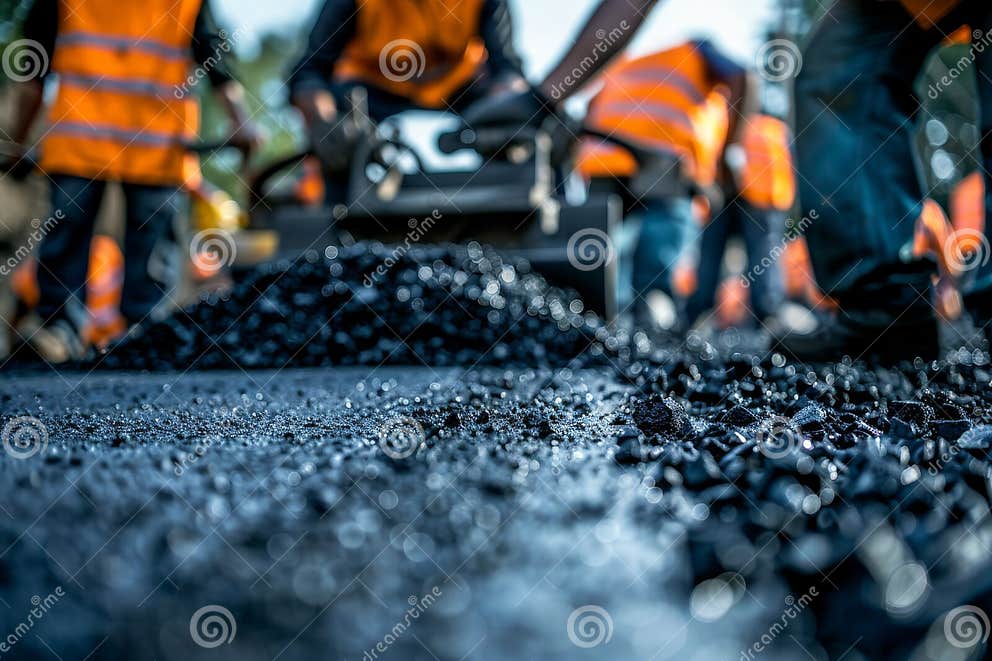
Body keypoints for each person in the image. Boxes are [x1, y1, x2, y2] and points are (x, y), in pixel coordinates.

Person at [464, 0, 991, 363]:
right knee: (838, 80)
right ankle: (886, 312)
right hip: (664, 166)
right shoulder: (656, 67)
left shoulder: (684, 56)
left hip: (703, 176)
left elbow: (736, 77)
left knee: (685, 237)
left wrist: (734, 152)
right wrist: (543, 100)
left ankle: (676, 309)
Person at [7, 0, 259, 363]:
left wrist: (17, 140)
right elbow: (216, 59)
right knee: (148, 249)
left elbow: (32, 73)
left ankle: (66, 333)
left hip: (87, 142)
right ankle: (139, 337)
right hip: (151, 144)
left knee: (71, 239)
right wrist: (241, 121)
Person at [572, 40, 754, 325]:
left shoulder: (621, 63)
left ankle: (595, 313)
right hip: (665, 156)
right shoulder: (698, 49)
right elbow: (743, 75)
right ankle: (652, 305)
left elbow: (588, 111)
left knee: (599, 243)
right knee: (664, 227)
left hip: (602, 158)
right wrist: (728, 151)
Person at [288, 0, 526, 201]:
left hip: (460, 86)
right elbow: (310, 71)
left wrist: (512, 110)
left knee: (518, 116)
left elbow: (509, 72)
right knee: (340, 125)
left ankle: (517, 215)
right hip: (373, 89)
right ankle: (338, 225)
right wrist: (323, 119)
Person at [684, 112, 796, 329]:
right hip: (749, 180)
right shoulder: (770, 122)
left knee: (720, 249)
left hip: (743, 178)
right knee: (761, 250)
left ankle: (696, 317)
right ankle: (768, 317)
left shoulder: (741, 115)